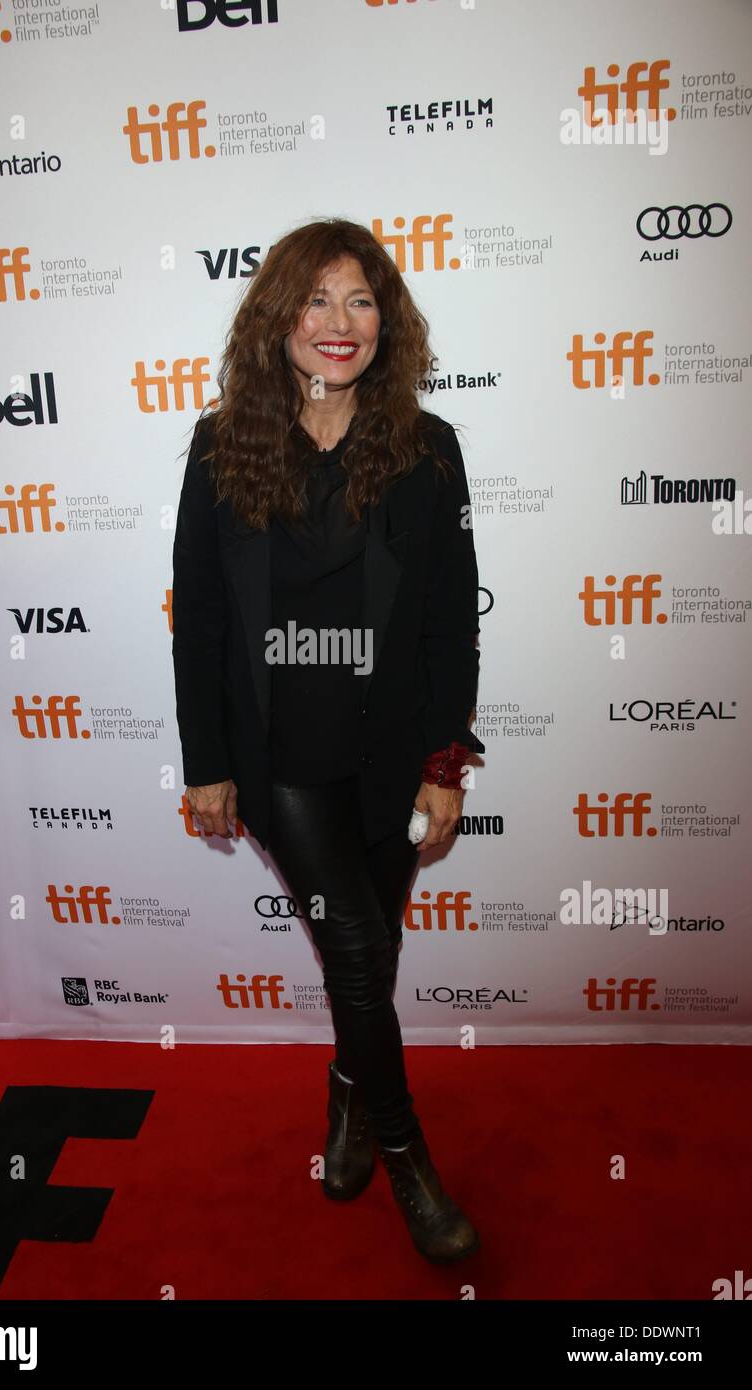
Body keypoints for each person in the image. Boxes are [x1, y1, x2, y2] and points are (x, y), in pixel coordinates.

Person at [172, 217, 485, 1263]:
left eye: (359, 301)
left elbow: (447, 617)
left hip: (388, 752)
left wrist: (445, 762)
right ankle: (407, 1158)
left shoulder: (424, 444)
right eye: (316, 300)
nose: (337, 323)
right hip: (277, 758)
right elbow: (204, 618)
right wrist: (208, 762)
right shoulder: (221, 445)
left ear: (384, 322)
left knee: (373, 953)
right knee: (354, 947)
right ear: (279, 319)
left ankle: (347, 1101)